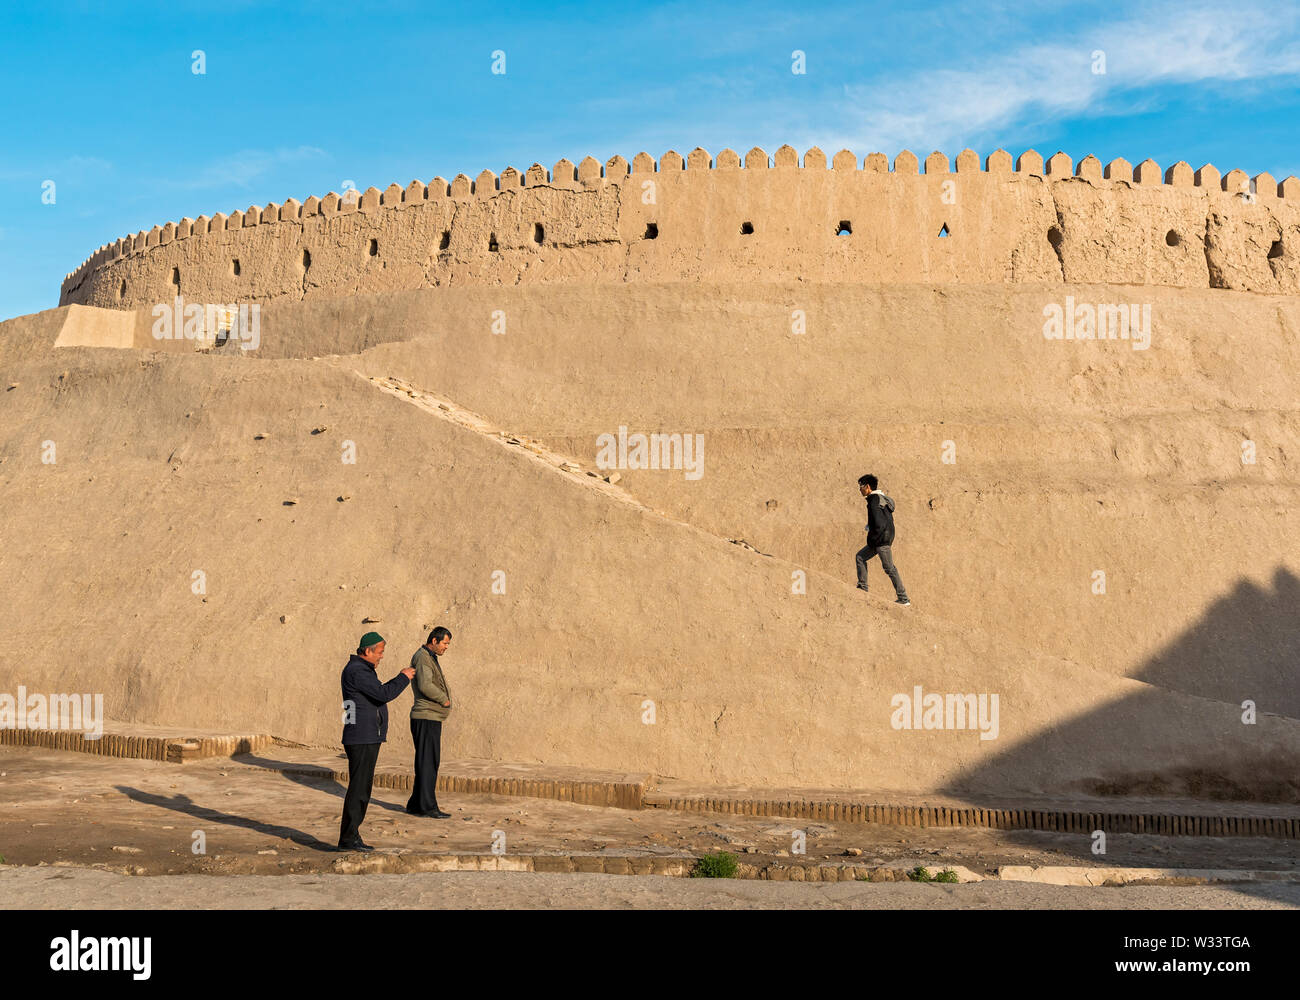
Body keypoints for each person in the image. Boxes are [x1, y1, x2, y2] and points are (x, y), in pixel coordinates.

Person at [338, 631, 414, 851]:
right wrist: (403, 677)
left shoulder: (362, 670)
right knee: (359, 789)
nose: (381, 656)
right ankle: (348, 838)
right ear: (368, 651)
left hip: (366, 736)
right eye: (379, 652)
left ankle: (352, 835)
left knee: (362, 788)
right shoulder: (357, 671)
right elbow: (382, 694)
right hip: (361, 737)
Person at [406, 627, 453, 818]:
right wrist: (443, 699)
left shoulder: (428, 656)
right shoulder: (423, 657)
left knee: (426, 762)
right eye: (445, 643)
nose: (446, 647)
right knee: (428, 763)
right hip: (426, 716)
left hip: (430, 717)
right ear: (434, 640)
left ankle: (416, 804)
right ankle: (427, 806)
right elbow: (425, 685)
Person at [855, 473, 910, 606]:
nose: (860, 489)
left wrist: (872, 538)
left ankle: (903, 598)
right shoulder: (881, 499)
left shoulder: (874, 500)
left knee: (889, 568)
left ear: (867, 487)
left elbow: (880, 523)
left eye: (861, 486)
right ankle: (862, 587)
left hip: (881, 540)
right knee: (860, 557)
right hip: (884, 537)